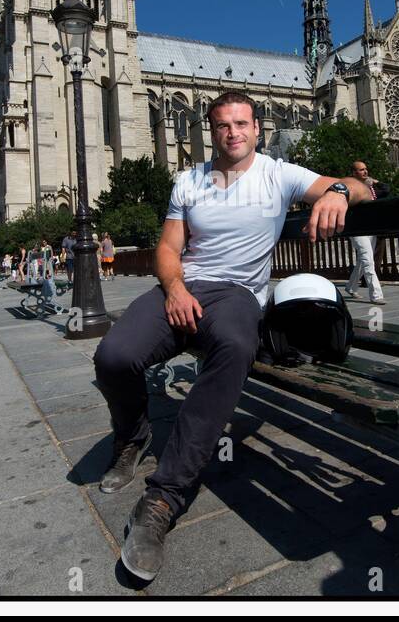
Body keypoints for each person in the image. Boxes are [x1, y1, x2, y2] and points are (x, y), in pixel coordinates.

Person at [92, 91, 372, 582]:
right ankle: (132, 439)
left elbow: (362, 187)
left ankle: (165, 497)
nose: (233, 133)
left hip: (238, 295)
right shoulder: (189, 180)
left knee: (236, 347)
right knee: (113, 355)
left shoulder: (279, 174)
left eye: (242, 124)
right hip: (182, 287)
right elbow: (168, 248)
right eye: (223, 125)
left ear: (257, 129)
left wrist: (340, 192)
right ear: (210, 130)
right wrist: (174, 287)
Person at [343, 160, 386, 304]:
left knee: (363, 260)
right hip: (357, 229)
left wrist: (375, 182)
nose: (365, 172)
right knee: (368, 260)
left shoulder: (370, 188)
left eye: (366, 169)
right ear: (354, 173)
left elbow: (386, 189)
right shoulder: (349, 187)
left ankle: (350, 287)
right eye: (361, 170)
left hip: (370, 227)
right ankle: (376, 294)